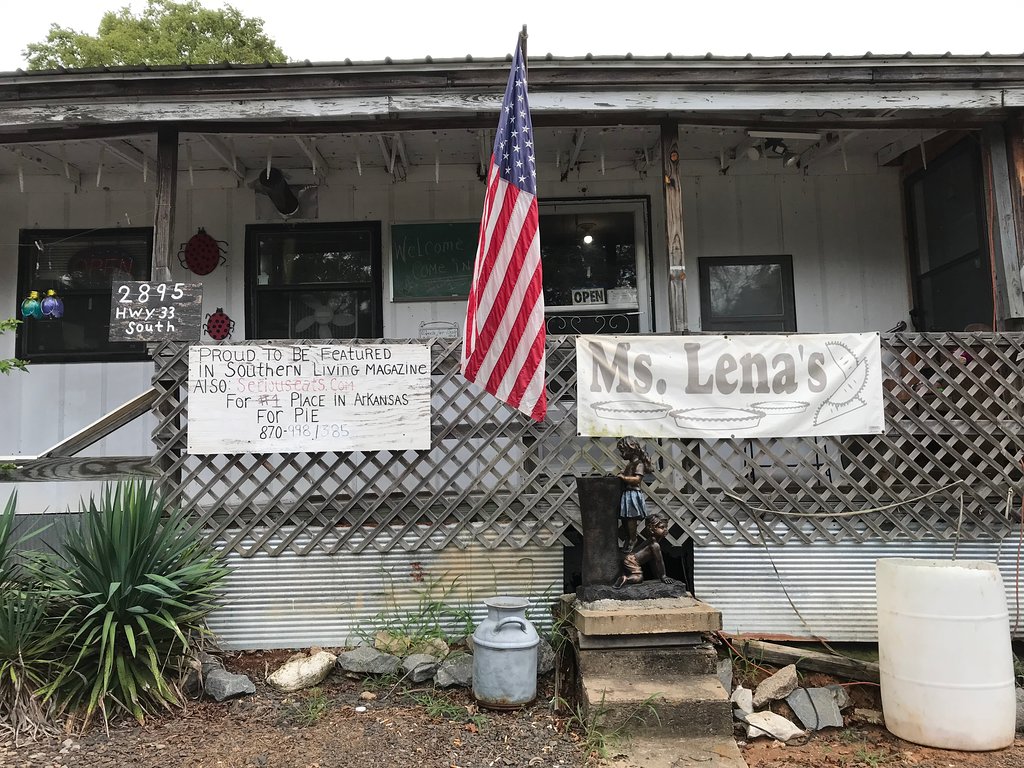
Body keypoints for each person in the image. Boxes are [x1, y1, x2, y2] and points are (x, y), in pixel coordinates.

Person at [616, 436, 652, 553]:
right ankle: (628, 538)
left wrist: (624, 477)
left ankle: (633, 539)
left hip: (633, 494)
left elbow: (637, 480)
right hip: (627, 494)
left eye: (622, 451)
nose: (621, 454)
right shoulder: (630, 464)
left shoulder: (639, 464)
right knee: (625, 519)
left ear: (631, 449)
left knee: (631, 518)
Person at [614, 514, 670, 588]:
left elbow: (654, 560)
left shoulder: (651, 540)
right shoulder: (655, 545)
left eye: (666, 527)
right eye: (662, 527)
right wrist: (663, 576)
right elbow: (659, 561)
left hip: (629, 558)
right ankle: (626, 579)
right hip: (631, 561)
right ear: (651, 528)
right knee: (638, 578)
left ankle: (625, 575)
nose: (665, 529)